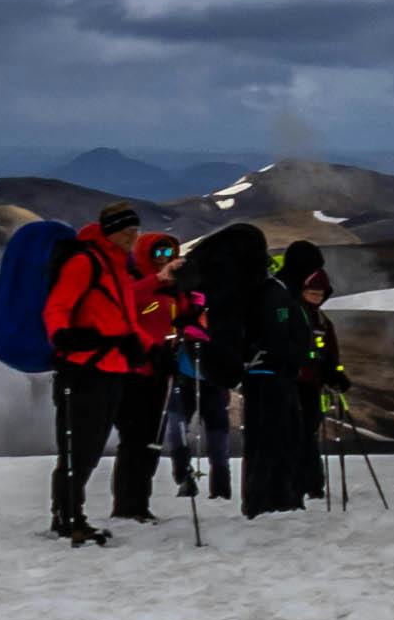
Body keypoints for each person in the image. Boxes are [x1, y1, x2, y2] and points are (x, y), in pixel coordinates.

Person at [38, 203, 172, 542]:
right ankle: (67, 515)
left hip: (111, 368)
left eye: (135, 232)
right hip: (83, 369)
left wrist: (152, 349)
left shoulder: (118, 268)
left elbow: (125, 320)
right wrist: (63, 337)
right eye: (126, 232)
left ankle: (70, 513)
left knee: (92, 445)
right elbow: (58, 306)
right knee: (79, 447)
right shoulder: (86, 262)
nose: (132, 238)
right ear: (110, 231)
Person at [242, 238, 345, 516]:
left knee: (284, 436)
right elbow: (278, 337)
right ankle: (267, 500)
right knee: (271, 438)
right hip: (270, 377)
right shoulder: (279, 296)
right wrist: (300, 359)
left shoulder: (283, 293)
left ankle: (281, 496)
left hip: (279, 376)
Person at [170, 222, 272, 495]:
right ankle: (217, 486)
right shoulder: (230, 289)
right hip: (207, 370)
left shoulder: (197, 283)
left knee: (184, 424)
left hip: (191, 367)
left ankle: (190, 478)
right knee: (214, 429)